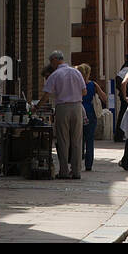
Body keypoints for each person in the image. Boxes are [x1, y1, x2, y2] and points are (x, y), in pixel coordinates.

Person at [36, 51, 87, 179]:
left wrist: (37, 107)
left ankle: (64, 171)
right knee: (77, 140)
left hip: (63, 107)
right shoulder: (76, 72)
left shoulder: (55, 74)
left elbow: (46, 94)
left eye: (51, 62)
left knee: (63, 140)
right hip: (77, 107)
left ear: (54, 60)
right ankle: (76, 171)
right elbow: (84, 91)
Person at [77, 64, 101, 172]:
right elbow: (104, 97)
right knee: (89, 139)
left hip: (79, 110)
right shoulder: (93, 84)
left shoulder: (76, 84)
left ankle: (76, 162)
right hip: (90, 112)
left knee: (77, 139)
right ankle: (88, 164)